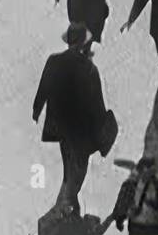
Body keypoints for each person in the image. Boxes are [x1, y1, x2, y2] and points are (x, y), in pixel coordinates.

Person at [33, 22, 107, 216]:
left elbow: (43, 88)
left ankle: (70, 205)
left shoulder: (54, 61)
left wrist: (36, 110)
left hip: (61, 126)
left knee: (68, 163)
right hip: (82, 129)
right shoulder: (89, 68)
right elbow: (97, 102)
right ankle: (64, 205)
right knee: (80, 168)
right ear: (83, 44)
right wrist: (102, 129)